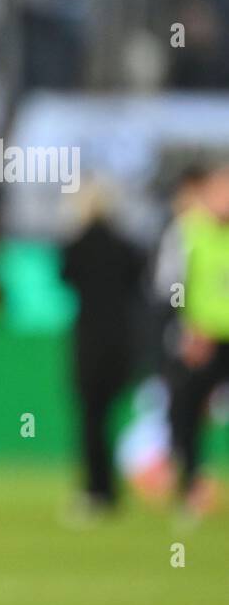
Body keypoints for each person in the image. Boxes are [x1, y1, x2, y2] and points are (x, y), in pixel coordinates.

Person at [60, 186, 145, 519]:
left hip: (90, 343)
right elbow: (140, 282)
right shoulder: (127, 246)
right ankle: (110, 488)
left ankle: (97, 489)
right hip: (124, 342)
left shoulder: (77, 247)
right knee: (108, 416)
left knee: (91, 419)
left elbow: (65, 277)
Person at [162, 164, 229, 518]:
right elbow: (170, 286)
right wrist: (187, 327)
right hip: (203, 337)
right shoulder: (188, 231)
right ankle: (190, 488)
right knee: (186, 410)